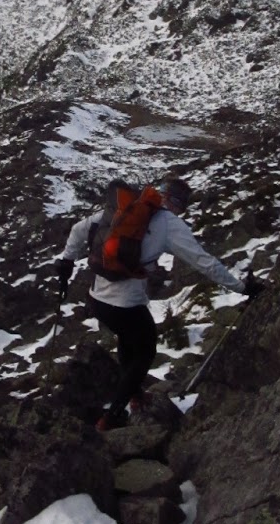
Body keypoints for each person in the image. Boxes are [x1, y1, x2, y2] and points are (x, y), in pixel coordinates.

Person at [55, 177, 260, 430]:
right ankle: (111, 417)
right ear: (176, 203)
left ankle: (135, 396)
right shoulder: (169, 224)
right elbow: (203, 262)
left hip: (97, 299)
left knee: (128, 340)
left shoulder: (127, 207)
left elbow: (78, 229)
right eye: (182, 207)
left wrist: (66, 260)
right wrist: (241, 288)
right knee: (145, 350)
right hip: (125, 304)